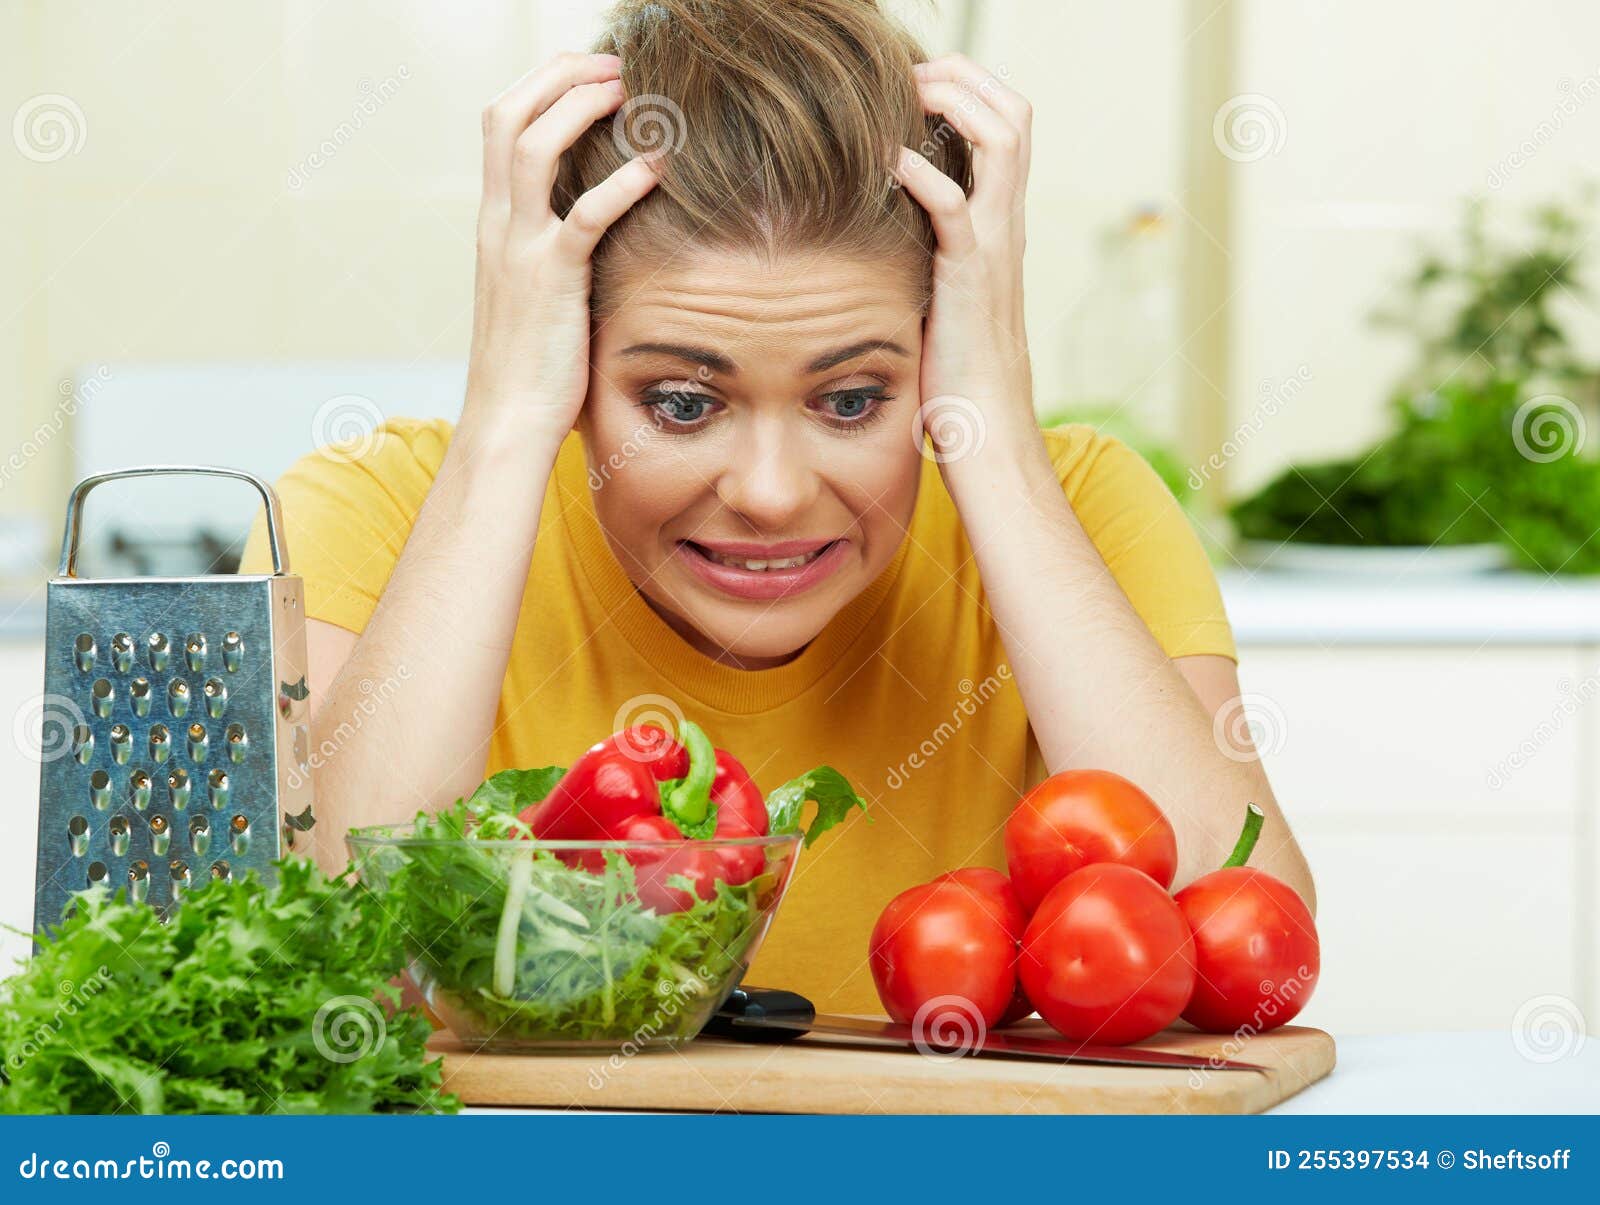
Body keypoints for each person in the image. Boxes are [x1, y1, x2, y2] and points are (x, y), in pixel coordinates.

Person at [243, 0, 1313, 1014]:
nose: (769, 492)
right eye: (680, 400)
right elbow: (317, 972)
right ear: (568, 350)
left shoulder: (1080, 504)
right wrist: (507, 422)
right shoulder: (366, 513)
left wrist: (990, 427)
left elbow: (1246, 960)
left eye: (853, 398)